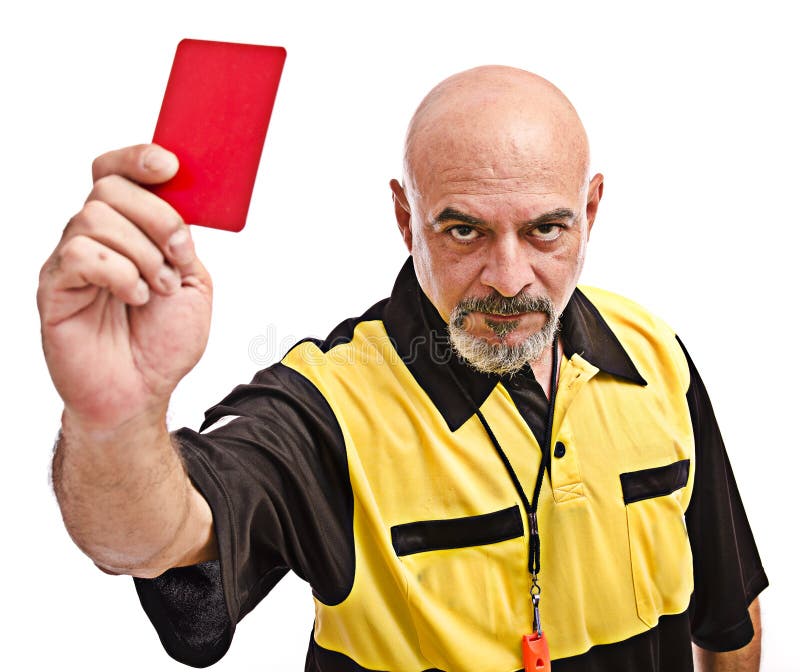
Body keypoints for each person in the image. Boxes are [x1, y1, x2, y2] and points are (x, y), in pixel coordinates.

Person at [38, 66, 767, 671]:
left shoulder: (654, 352)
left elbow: (728, 612)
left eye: (546, 229)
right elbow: (147, 538)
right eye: (464, 230)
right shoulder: (328, 404)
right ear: (405, 218)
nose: (509, 278)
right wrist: (114, 417)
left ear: (592, 210)